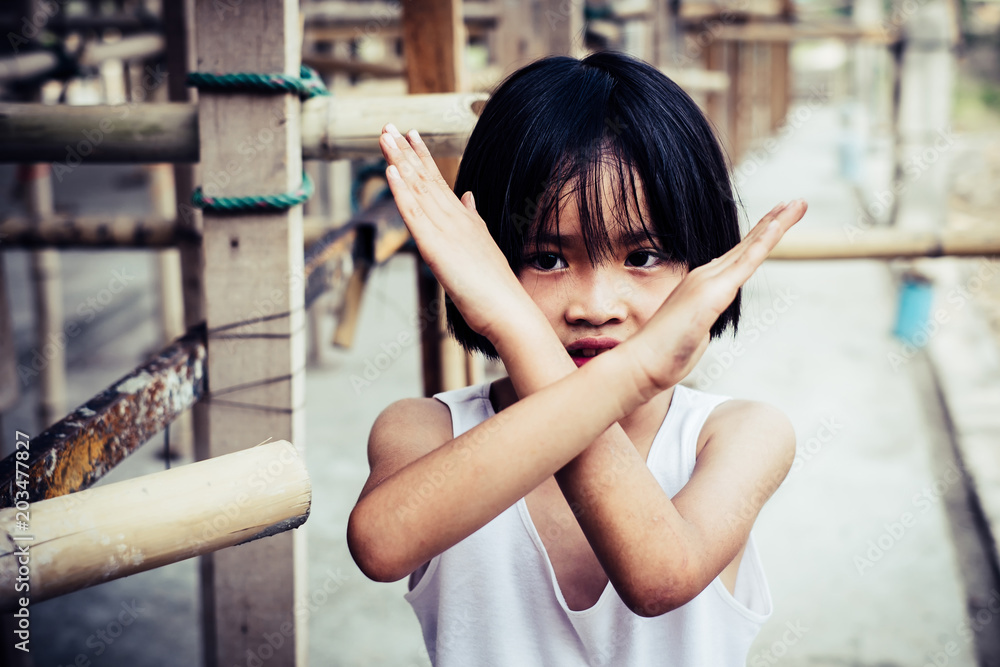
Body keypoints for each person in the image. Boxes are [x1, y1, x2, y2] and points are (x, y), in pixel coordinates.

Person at [346, 50, 808, 666]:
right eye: (546, 258)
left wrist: (534, 329)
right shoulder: (426, 429)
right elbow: (381, 545)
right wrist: (540, 331)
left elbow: (659, 577)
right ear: (485, 264)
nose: (596, 306)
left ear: (704, 262)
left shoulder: (736, 435)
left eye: (643, 257)